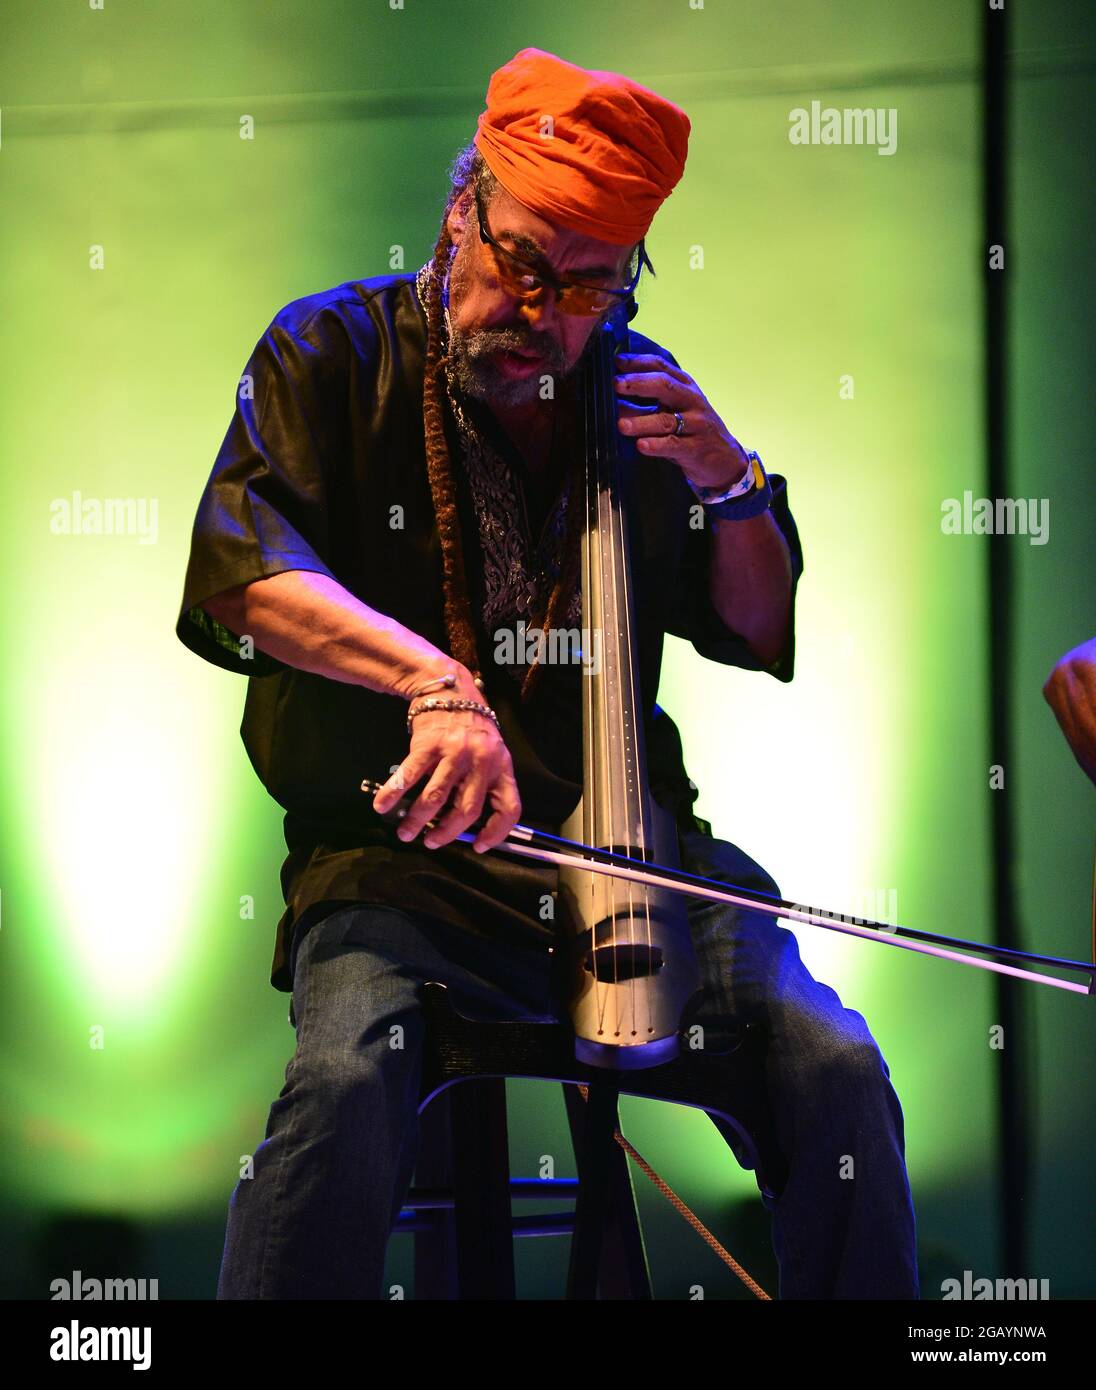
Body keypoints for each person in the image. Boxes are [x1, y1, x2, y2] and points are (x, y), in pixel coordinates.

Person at [176, 47, 918, 1299]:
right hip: (404, 870)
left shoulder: (630, 389)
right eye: (524, 260)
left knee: (832, 1063)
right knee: (344, 1084)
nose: (548, 311)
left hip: (631, 863)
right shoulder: (327, 353)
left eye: (590, 283)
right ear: (461, 207)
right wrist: (432, 685)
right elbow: (243, 571)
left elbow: (752, 620)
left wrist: (729, 484)